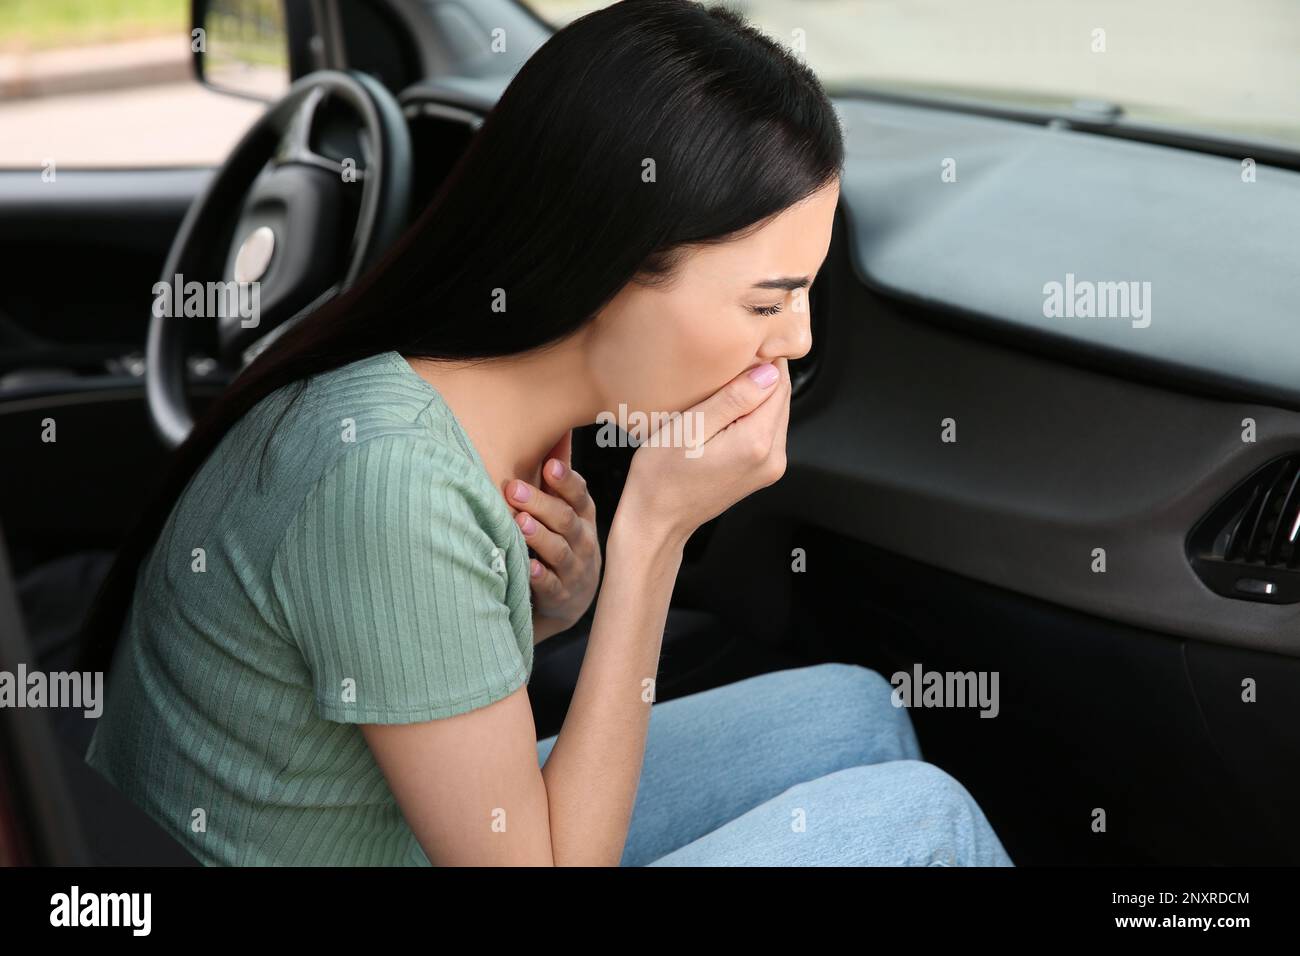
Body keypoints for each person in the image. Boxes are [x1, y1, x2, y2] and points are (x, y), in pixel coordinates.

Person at [80, 0, 1013, 866]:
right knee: (925, 827)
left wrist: (546, 615)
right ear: (608, 269)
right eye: (769, 299)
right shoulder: (391, 484)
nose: (800, 339)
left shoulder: (435, 403)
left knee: (855, 713)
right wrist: (653, 537)